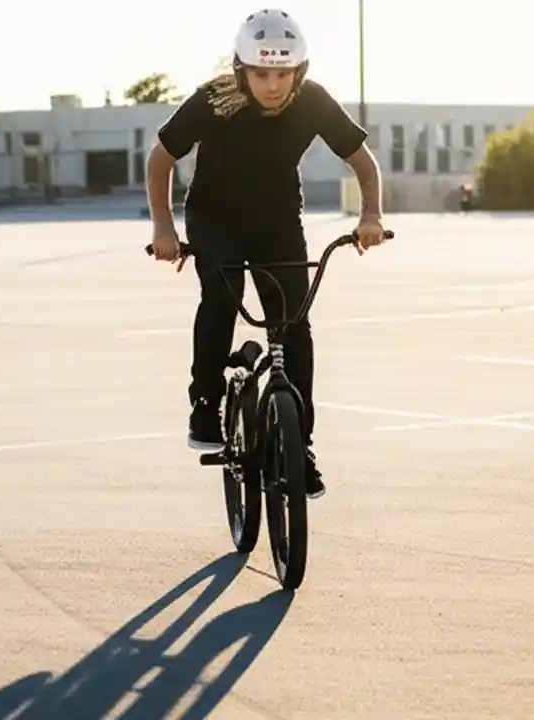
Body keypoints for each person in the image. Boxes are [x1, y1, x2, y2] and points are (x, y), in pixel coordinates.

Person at [146, 8, 387, 500]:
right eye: (261, 74)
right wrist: (164, 226)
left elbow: (362, 163)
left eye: (283, 74)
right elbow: (161, 159)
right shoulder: (214, 99)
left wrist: (371, 216)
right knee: (221, 299)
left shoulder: (312, 101)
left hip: (277, 222)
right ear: (242, 70)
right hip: (216, 219)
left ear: (299, 72)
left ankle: (301, 447)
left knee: (294, 324)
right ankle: (205, 403)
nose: (273, 85)